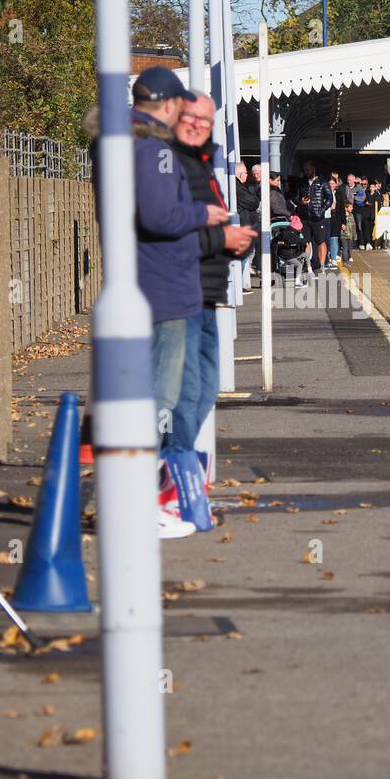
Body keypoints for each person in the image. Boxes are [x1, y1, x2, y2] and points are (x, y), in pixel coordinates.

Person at [90, 66, 229, 538]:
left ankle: (140, 499)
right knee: (161, 400)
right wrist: (202, 214)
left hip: (151, 284)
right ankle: (141, 503)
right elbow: (158, 214)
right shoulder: (151, 150)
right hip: (165, 289)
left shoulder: (119, 143)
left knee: (160, 398)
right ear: (169, 106)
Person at [168, 92, 255, 515]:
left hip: (207, 294)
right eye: (191, 117)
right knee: (185, 397)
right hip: (179, 295)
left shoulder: (204, 165)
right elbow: (164, 229)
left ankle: (176, 480)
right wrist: (221, 239)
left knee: (203, 393)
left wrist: (231, 245)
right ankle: (169, 485)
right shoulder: (169, 163)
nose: (199, 124)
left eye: (206, 118)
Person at [297, 159, 333, 274]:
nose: (306, 172)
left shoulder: (322, 182)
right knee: (306, 242)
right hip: (305, 217)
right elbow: (295, 197)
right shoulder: (302, 183)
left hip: (318, 218)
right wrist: (301, 202)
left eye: (308, 169)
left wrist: (321, 209)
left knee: (321, 241)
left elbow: (329, 198)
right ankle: (308, 267)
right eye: (304, 170)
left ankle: (322, 266)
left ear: (313, 169)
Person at [236, 161, 261, 286]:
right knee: (243, 255)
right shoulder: (238, 187)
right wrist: (255, 199)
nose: (248, 175)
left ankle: (241, 284)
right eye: (246, 173)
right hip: (241, 225)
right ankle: (237, 285)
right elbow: (253, 202)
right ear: (240, 174)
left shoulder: (239, 186)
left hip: (243, 224)